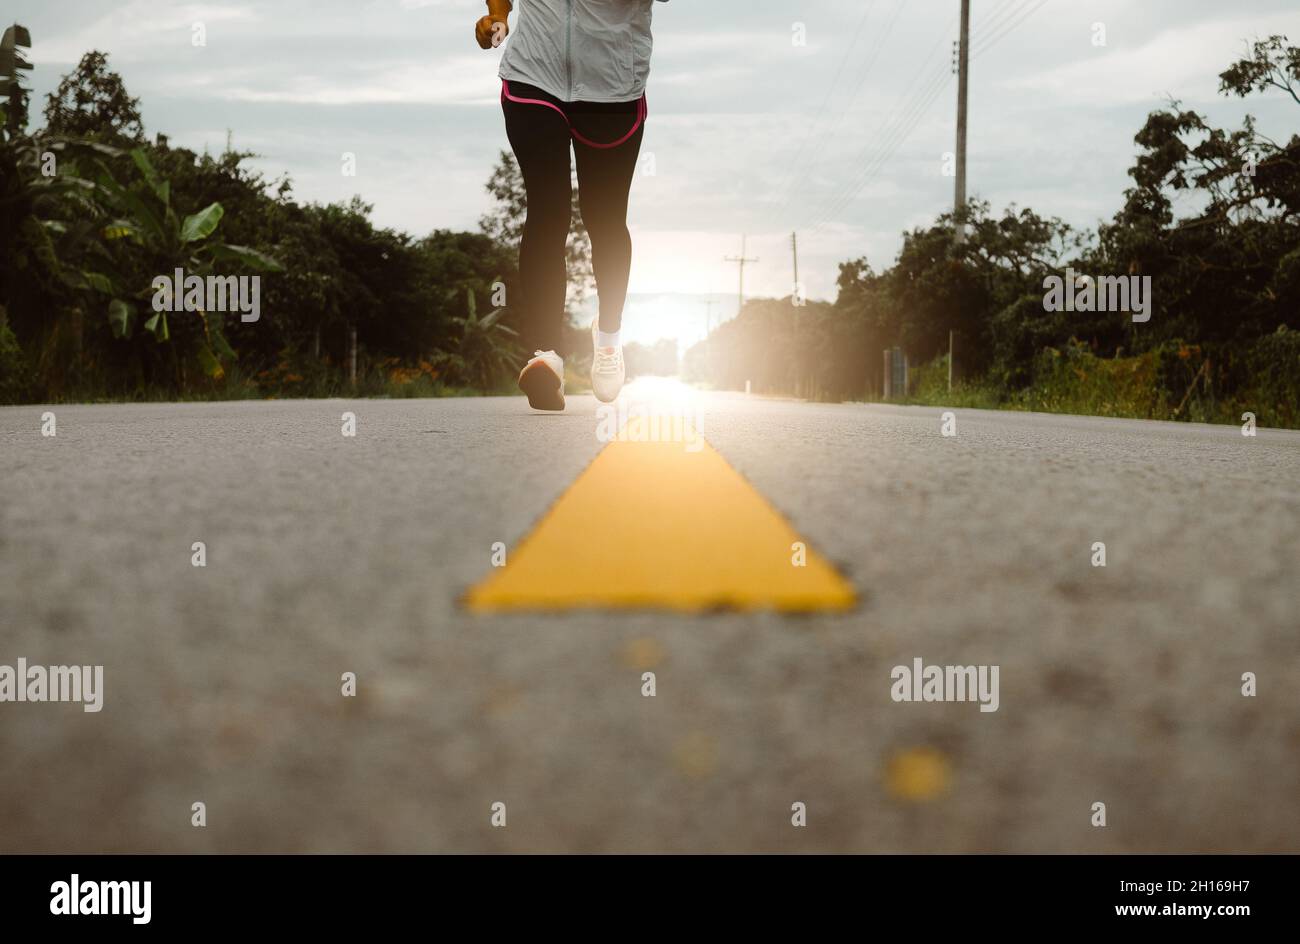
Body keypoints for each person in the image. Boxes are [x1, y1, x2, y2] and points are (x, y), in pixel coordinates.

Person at [475, 0, 667, 411]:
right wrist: (498, 16)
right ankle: (546, 354)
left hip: (612, 89)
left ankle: (609, 337)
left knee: (605, 220)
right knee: (547, 210)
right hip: (533, 76)